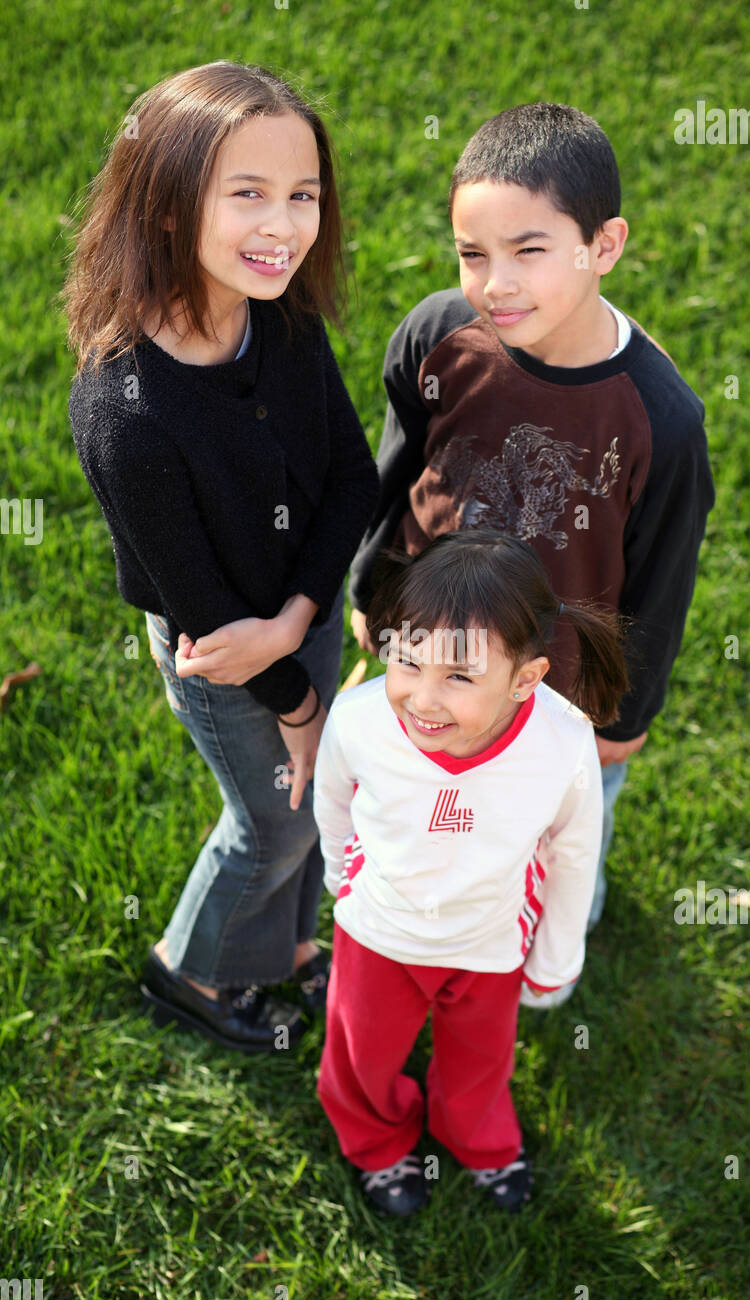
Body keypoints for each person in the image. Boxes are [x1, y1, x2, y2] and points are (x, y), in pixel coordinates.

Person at [346, 103, 714, 1006]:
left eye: (530, 250)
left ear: (605, 244)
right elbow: (395, 475)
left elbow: (662, 587)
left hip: (565, 686)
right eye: (473, 254)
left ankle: (551, 946)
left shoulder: (660, 419)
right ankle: (427, 909)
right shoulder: (439, 337)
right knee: (434, 794)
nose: (495, 283)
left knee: (555, 828)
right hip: (439, 648)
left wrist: (623, 719)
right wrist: (371, 586)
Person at [63, 62, 379, 1052]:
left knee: (312, 798)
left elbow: (352, 480)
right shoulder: (127, 415)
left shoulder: (278, 316)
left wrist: (296, 619)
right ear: (163, 208)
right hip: (221, 664)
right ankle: (190, 969)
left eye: (302, 196)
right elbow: (210, 619)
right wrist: (296, 702)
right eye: (247, 195)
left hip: (298, 615)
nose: (282, 226)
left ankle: (281, 952)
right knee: (275, 823)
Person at [313, 529, 629, 1215]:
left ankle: (477, 1138)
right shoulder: (360, 721)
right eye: (407, 660)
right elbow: (333, 801)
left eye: (458, 676)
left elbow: (574, 854)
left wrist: (555, 956)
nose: (423, 700)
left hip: (489, 943)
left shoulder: (563, 742)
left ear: (525, 679)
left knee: (481, 1062)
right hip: (378, 932)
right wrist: (345, 877)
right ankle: (378, 1144)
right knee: (361, 1052)